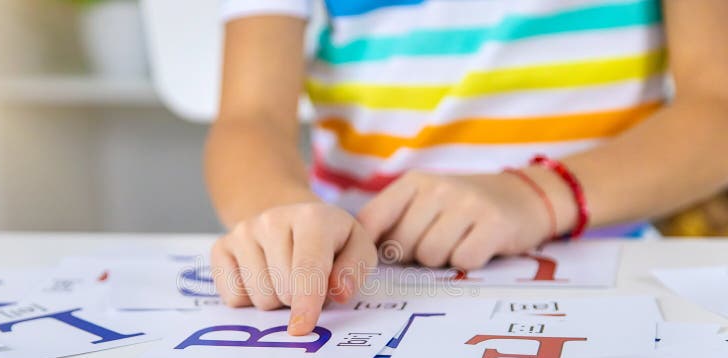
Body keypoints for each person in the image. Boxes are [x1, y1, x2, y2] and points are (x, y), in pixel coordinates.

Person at [205, 0, 728, 335]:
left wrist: (535, 196)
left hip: (611, 270)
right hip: (358, 278)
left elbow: (717, 105)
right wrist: (281, 218)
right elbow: (250, 118)